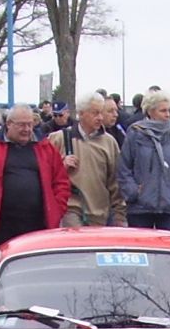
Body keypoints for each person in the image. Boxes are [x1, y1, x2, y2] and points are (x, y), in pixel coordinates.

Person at [0, 104, 69, 262]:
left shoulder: (45, 148)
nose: (26, 129)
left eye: (30, 124)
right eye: (21, 125)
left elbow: (61, 181)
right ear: (9, 124)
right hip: (0, 226)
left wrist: (57, 208)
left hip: (38, 224)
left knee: (36, 268)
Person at [48, 91, 127, 227]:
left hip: (100, 214)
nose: (100, 118)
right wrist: (61, 166)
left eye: (101, 113)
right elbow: (44, 173)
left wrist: (120, 214)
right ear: (81, 113)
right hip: (70, 210)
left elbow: (115, 181)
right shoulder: (58, 139)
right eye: (95, 113)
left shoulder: (109, 142)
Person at [118, 90, 170, 230]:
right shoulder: (134, 135)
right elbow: (124, 168)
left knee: (168, 249)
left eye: (169, 110)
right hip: (140, 208)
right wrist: (134, 191)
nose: (168, 115)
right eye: (163, 111)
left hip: (169, 208)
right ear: (150, 112)